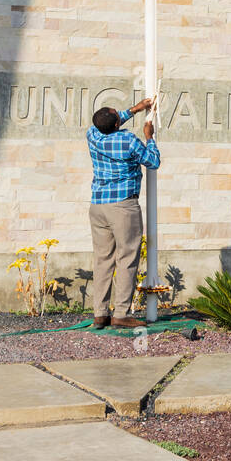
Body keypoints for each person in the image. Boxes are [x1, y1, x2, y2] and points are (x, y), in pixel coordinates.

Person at [86, 97, 160, 329]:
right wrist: (150, 137)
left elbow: (110, 120)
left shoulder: (92, 134)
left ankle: (100, 313)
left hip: (98, 206)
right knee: (127, 258)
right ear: (117, 124)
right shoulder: (128, 140)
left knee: (102, 260)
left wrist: (134, 110)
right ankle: (120, 313)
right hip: (122, 207)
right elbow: (153, 162)